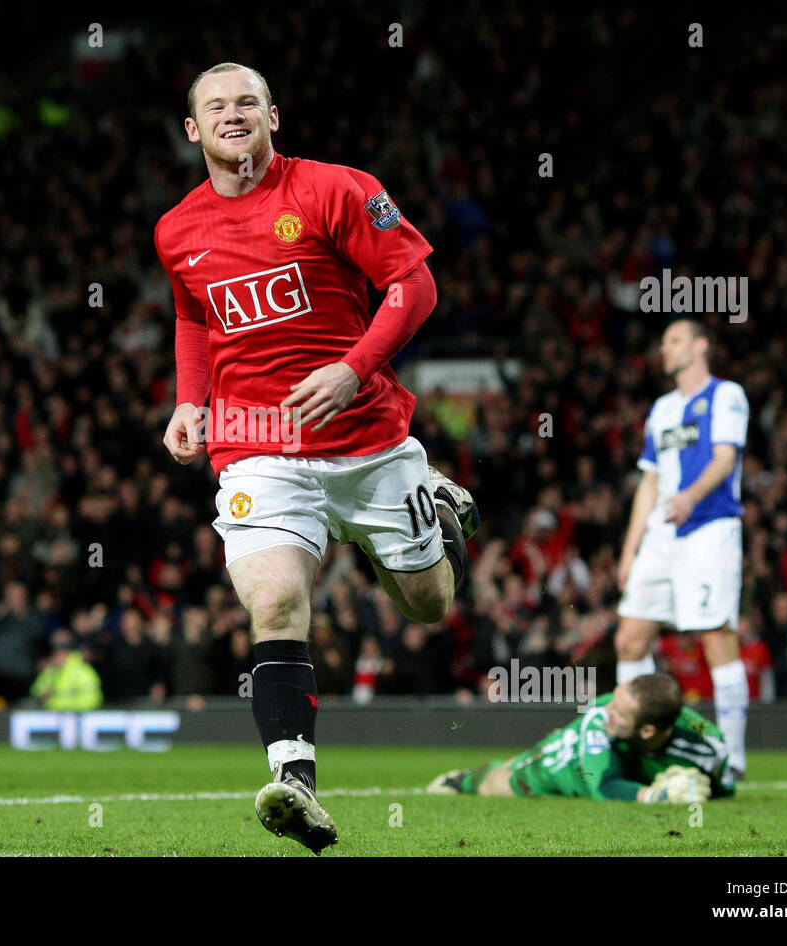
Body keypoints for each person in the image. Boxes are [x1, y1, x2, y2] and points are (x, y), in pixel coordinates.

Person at [155, 62, 479, 853]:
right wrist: (190, 401)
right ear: (194, 130)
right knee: (273, 605)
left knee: (428, 608)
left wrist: (352, 367)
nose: (233, 115)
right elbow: (195, 318)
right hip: (257, 447)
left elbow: (414, 284)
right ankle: (294, 781)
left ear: (273, 116)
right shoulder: (176, 229)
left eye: (247, 103)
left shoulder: (334, 190)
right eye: (215, 107)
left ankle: (436, 508)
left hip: (368, 440)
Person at [614, 318, 751, 776]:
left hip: (708, 530)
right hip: (661, 535)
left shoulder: (725, 395)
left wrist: (691, 497)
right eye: (662, 342)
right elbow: (650, 482)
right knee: (629, 639)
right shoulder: (662, 409)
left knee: (716, 639)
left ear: (700, 347)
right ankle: (633, 746)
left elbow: (725, 458)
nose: (664, 350)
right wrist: (631, 549)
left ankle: (732, 759)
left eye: (673, 341)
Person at [428, 673, 735, 803]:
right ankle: (458, 780)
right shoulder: (598, 720)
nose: (606, 710)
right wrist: (658, 796)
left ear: (648, 731)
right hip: (564, 762)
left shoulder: (707, 746)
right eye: (613, 699)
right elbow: (603, 785)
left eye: (620, 711)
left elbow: (725, 784)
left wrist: (698, 788)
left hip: (621, 761)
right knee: (495, 784)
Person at [31, 631, 103, 712]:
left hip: (76, 717)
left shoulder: (83, 671)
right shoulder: (49, 671)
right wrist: (42, 696)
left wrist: (57, 704)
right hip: (52, 717)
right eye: (56, 652)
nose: (58, 656)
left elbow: (93, 699)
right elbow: (36, 691)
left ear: (68, 652)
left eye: (62, 651)